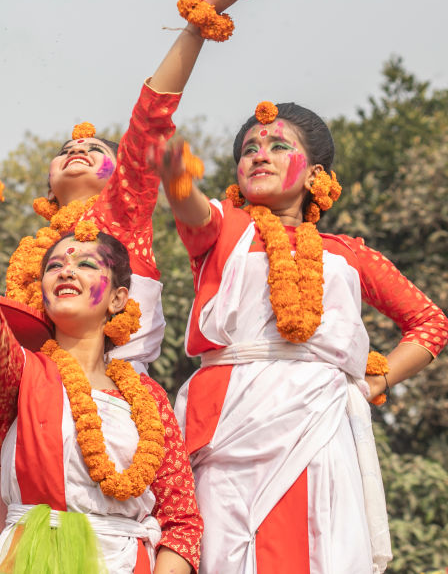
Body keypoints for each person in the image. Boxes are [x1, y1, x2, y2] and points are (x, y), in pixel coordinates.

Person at [152, 101, 448, 572]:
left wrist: (376, 382)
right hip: (227, 420)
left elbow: (431, 323)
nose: (259, 155)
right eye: (249, 149)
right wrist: (176, 181)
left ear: (316, 175)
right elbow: (192, 211)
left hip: (319, 419)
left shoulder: (348, 254)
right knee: (221, 549)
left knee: (317, 545)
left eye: (277, 145)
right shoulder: (226, 230)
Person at [0, 127, 202, 573]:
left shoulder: (149, 400)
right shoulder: (20, 376)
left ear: (119, 298)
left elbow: (181, 521)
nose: (67, 270)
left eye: (85, 263)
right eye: (56, 264)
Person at [6, 0, 274, 372]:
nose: (78, 147)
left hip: (122, 395)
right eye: (67, 150)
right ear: (48, 188)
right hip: (37, 389)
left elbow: (150, 119)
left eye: (96, 149)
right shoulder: (31, 254)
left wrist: (197, 28)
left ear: (121, 176)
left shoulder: (122, 212)